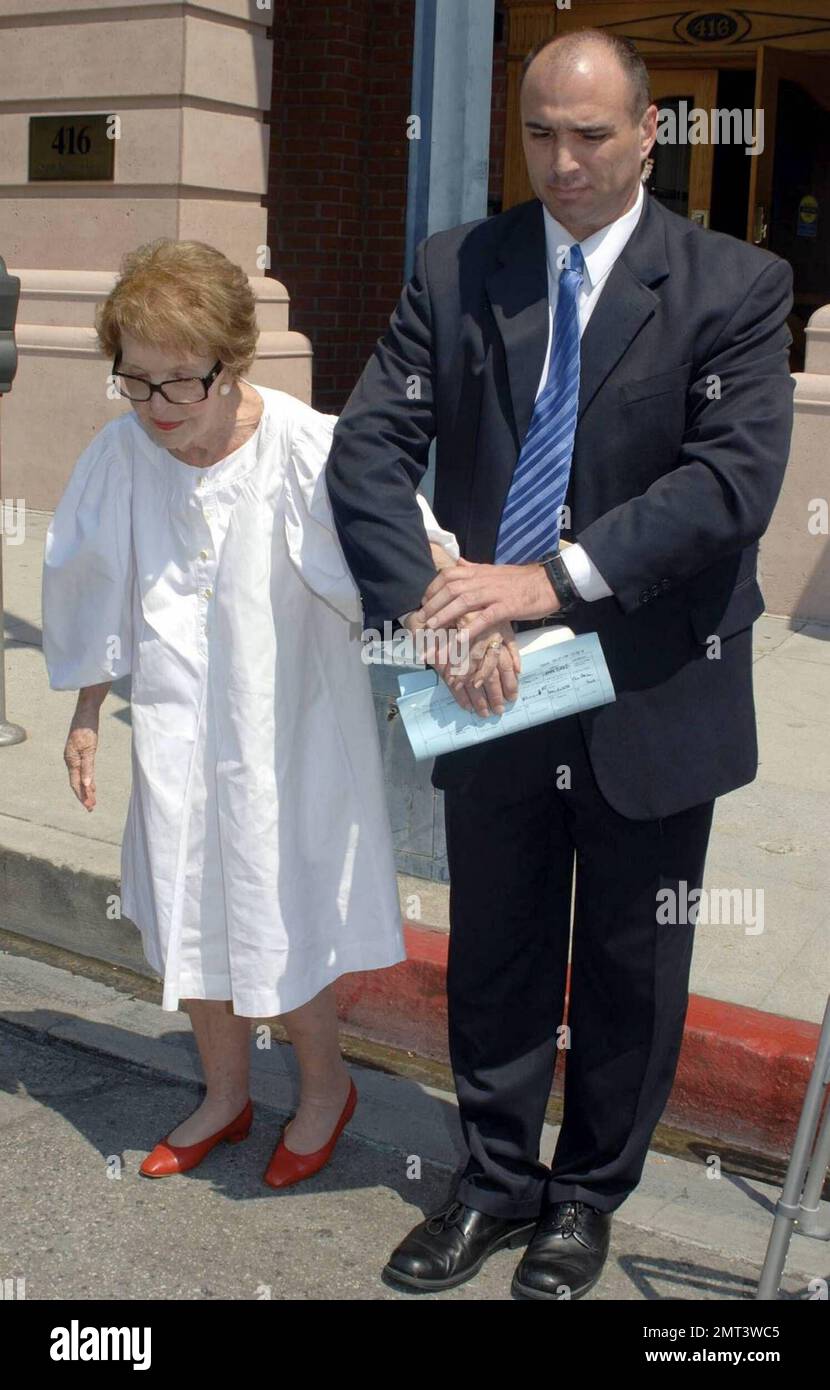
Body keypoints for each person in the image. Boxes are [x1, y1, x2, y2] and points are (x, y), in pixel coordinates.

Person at [325, 29, 795, 1298]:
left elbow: (727, 485)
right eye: (539, 133)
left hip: (649, 676)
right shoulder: (457, 269)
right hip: (489, 679)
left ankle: (585, 1197)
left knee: (636, 965)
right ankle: (486, 1183)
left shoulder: (735, 285)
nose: (563, 161)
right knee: (495, 946)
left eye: (590, 134)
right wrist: (436, 600)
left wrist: (544, 582)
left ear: (650, 132)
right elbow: (368, 450)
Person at [41, 237, 460, 1189]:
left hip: (293, 734)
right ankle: (225, 1096)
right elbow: (95, 582)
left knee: (285, 911)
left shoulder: (312, 447)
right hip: (179, 735)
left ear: (236, 364)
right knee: (190, 908)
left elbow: (416, 547)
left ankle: (323, 1090)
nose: (157, 410)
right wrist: (84, 710)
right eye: (135, 382)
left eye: (181, 384)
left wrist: (486, 612)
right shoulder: (122, 454)